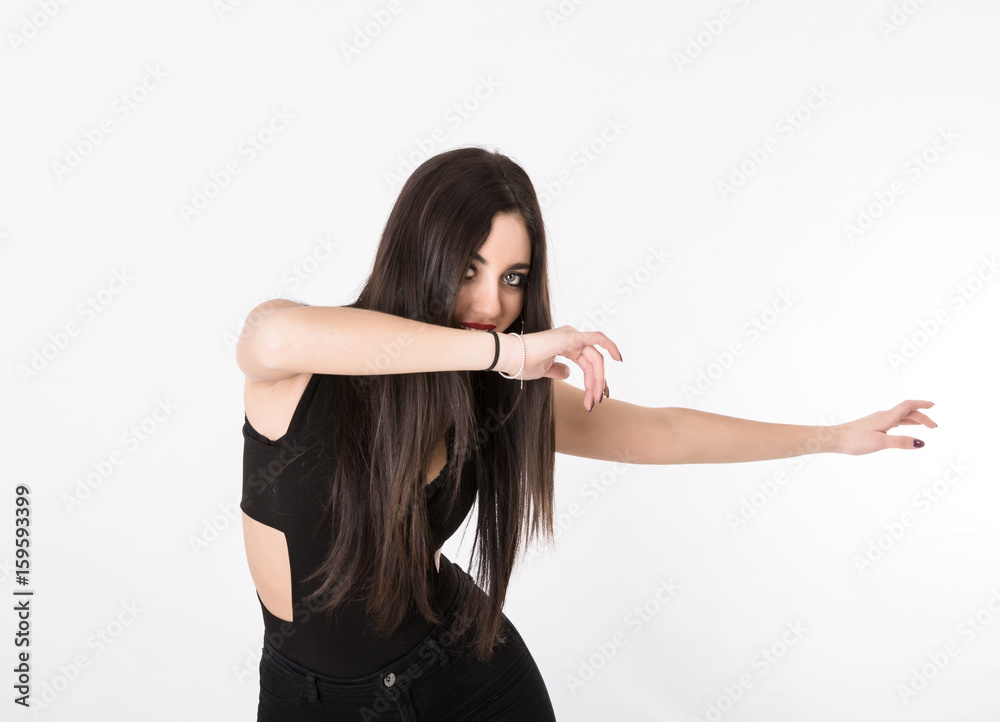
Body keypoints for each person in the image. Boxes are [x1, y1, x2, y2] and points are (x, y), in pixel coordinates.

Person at [236, 147, 936, 721]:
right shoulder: (303, 362)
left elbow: (661, 433)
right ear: (417, 252)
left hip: (467, 680)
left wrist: (832, 438)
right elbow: (263, 336)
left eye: (513, 276)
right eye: (467, 268)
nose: (491, 303)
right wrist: (509, 354)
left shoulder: (492, 402)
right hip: (308, 698)